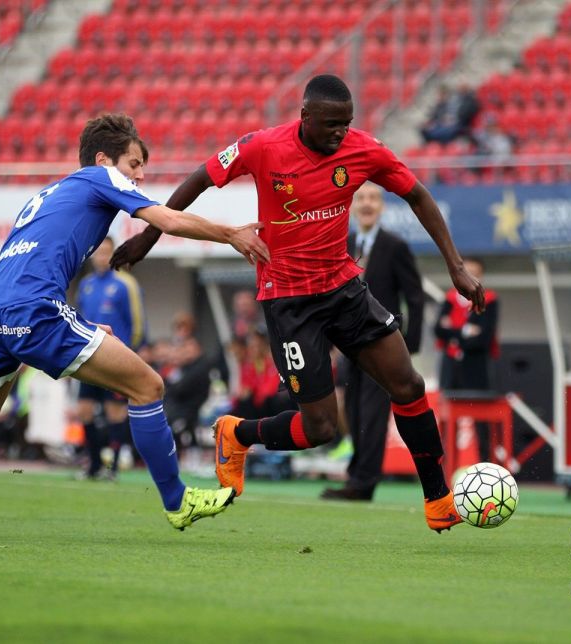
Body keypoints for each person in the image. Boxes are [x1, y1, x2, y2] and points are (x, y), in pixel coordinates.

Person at [0, 114, 270, 533]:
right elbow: (168, 220)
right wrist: (231, 234)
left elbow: (32, 267)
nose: (141, 175)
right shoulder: (101, 177)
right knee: (148, 386)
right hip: (33, 311)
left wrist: (78, 322)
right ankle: (178, 501)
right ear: (103, 159)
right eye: (134, 163)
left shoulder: (48, 194)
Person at [112, 75, 485, 532]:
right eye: (331, 124)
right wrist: (149, 236)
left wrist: (456, 267)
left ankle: (438, 498)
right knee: (321, 428)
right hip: (289, 301)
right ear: (305, 116)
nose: (340, 133)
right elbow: (200, 179)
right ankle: (237, 433)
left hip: (344, 289)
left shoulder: (363, 149)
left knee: (408, 384)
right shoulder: (262, 146)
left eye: (346, 123)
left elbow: (418, 195)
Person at [321, 182, 425, 502]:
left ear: (382, 206)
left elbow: (415, 297)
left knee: (372, 414)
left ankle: (364, 483)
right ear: (352, 206)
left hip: (382, 345)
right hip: (348, 345)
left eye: (373, 198)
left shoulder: (395, 246)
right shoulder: (344, 243)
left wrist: (409, 345)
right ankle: (355, 476)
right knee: (352, 410)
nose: (367, 204)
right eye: (361, 198)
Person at [75, 236, 146, 480]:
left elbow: (137, 324)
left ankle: (111, 468)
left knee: (114, 412)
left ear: (114, 254)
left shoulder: (126, 284)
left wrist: (130, 352)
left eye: (107, 252)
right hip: (88, 357)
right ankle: (93, 464)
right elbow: (79, 320)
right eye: (99, 252)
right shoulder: (86, 285)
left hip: (115, 359)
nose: (102, 257)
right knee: (84, 410)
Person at [434, 258, 499, 392]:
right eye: (466, 273)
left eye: (474, 274)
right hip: (450, 365)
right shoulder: (450, 298)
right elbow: (438, 330)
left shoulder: (489, 300)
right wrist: (466, 330)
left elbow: (483, 337)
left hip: (475, 366)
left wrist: (453, 334)